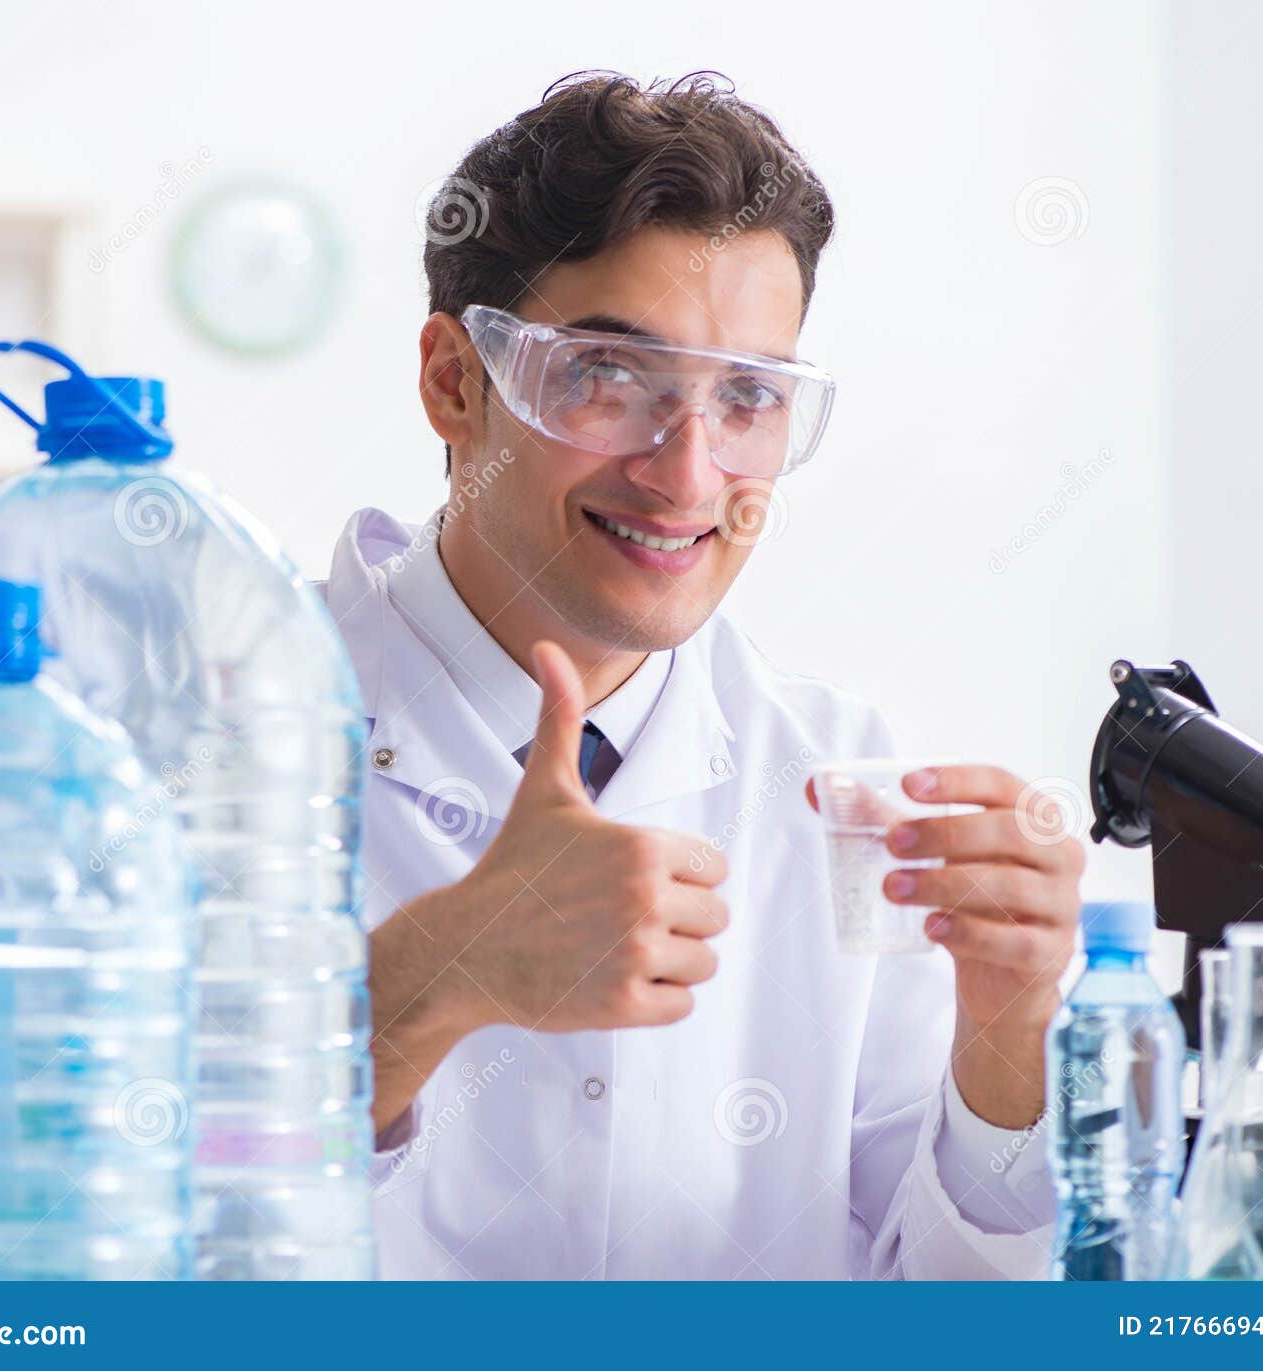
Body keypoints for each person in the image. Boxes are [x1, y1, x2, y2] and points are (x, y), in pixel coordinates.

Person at [323, 71, 1084, 1280]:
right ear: (454, 381)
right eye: (609, 378)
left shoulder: (838, 789)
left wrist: (1009, 1037)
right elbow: (82, 1257)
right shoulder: (204, 749)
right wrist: (431, 978)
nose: (686, 477)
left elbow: (944, 1309)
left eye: (747, 397)